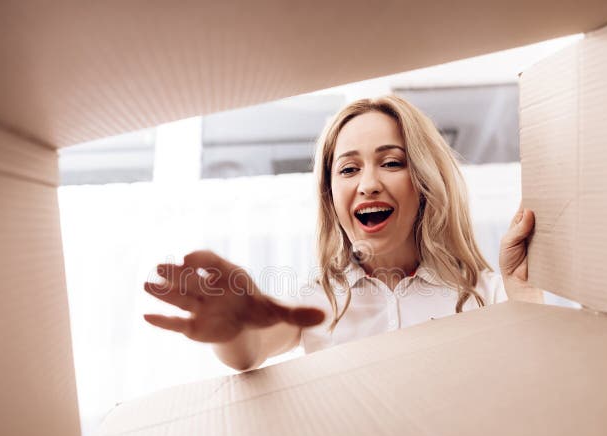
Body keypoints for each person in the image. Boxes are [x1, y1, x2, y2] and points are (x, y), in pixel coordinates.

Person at [143, 95, 542, 371]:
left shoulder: (486, 295)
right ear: (330, 195)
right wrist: (232, 331)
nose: (367, 184)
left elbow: (538, 380)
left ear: (424, 182)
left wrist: (525, 293)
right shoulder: (316, 299)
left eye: (391, 163)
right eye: (349, 169)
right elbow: (252, 350)